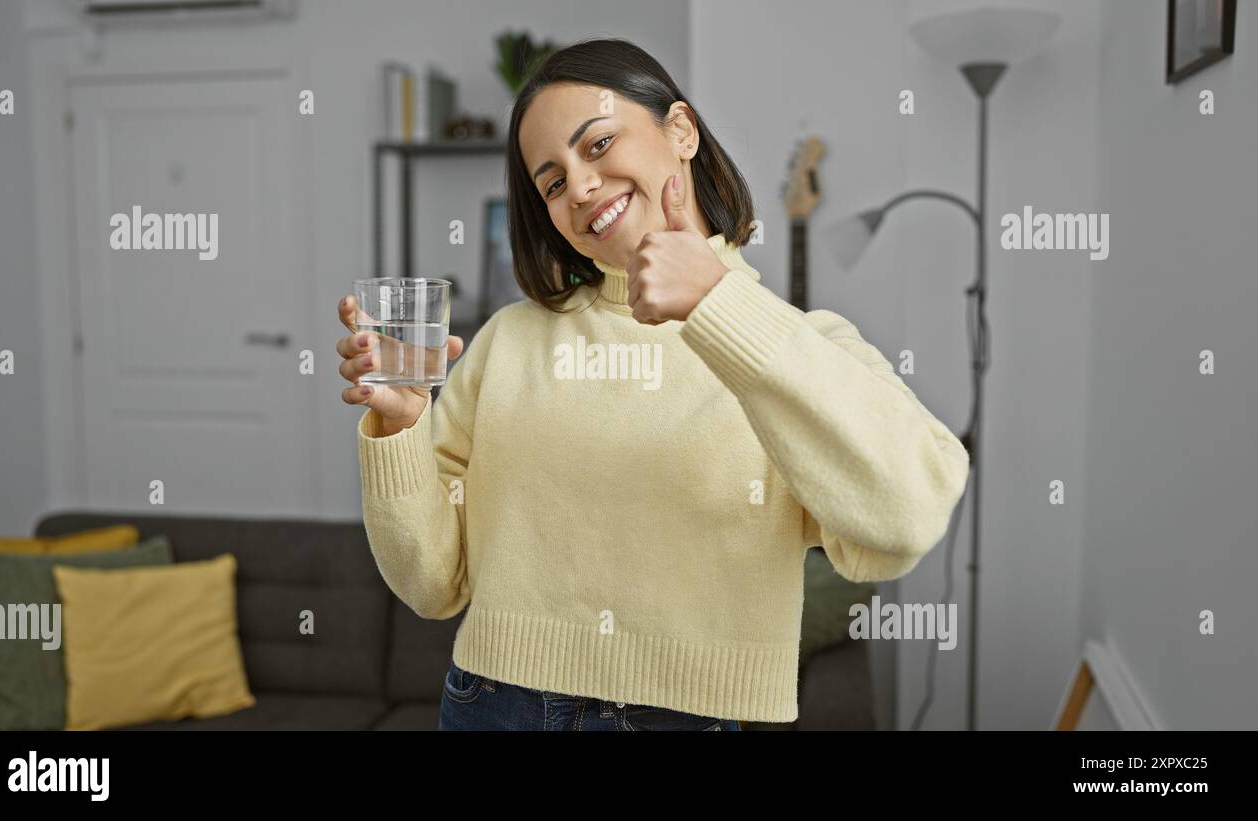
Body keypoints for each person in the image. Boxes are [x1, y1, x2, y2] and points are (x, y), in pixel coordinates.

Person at [335, 38, 970, 731]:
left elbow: (906, 517)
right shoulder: (507, 343)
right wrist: (400, 427)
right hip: (492, 703)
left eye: (598, 144)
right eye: (551, 182)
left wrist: (719, 303)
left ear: (681, 131)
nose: (578, 187)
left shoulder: (800, 343)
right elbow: (433, 584)